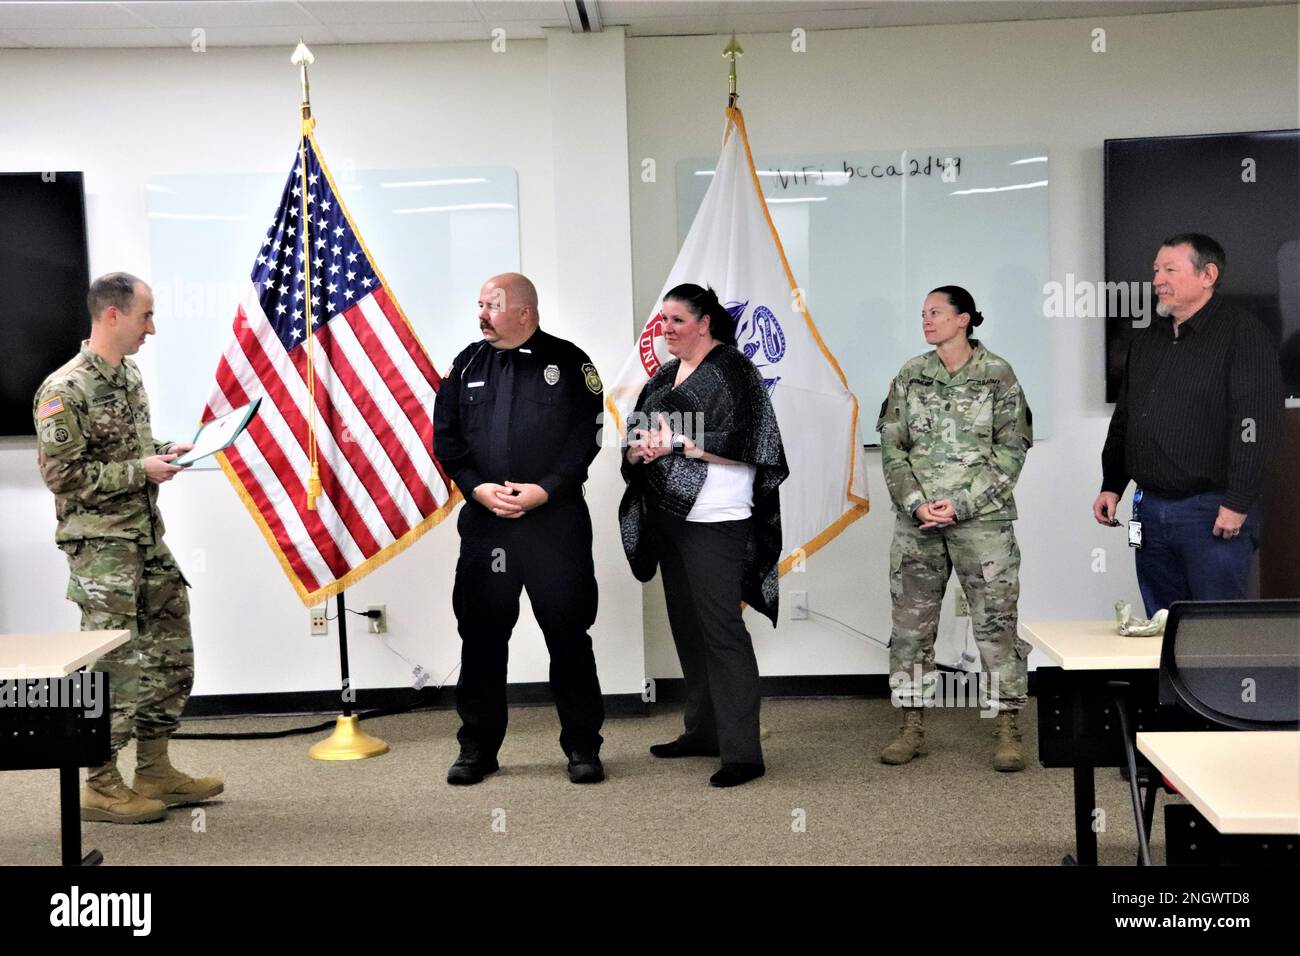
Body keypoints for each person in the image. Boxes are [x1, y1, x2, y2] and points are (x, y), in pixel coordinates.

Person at [34, 272, 223, 824]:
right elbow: (64, 477)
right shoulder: (62, 390)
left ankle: (155, 768)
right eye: (146, 315)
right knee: (114, 666)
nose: (152, 328)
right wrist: (140, 469)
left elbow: (132, 446)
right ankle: (99, 782)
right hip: (102, 552)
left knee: (170, 651)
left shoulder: (128, 374)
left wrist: (168, 450)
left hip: (145, 536)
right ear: (111, 315)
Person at [432, 273, 606, 785]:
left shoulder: (571, 363)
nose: (481, 314)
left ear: (525, 313)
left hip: (554, 525)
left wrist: (547, 488)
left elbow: (588, 436)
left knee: (569, 636)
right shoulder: (465, 365)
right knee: (481, 638)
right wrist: (475, 488)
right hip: (488, 529)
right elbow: (447, 438)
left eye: (492, 305)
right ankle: (478, 750)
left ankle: (582, 748)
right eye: (479, 305)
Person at [618, 284, 788, 788]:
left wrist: (680, 443)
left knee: (722, 632)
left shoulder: (734, 370)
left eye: (675, 320)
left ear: (703, 322)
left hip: (718, 518)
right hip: (669, 516)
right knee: (687, 628)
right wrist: (640, 450)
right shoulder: (665, 376)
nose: (665, 329)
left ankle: (743, 753)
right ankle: (704, 731)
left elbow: (755, 443)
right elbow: (635, 437)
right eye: (663, 320)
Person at [876, 286, 1033, 771]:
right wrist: (916, 503)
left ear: (963, 319)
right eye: (923, 313)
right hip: (917, 524)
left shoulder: (998, 375)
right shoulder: (910, 375)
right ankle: (911, 725)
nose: (927, 320)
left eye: (936, 312)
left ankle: (1007, 727)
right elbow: (892, 446)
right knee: (910, 631)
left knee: (996, 626)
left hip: (982, 524)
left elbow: (1012, 450)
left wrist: (961, 503)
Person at [1094, 234, 1283, 615]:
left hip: (1212, 511)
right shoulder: (1148, 340)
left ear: (1207, 274)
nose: (1158, 280)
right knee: (1164, 627)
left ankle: (1231, 680)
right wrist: (1112, 484)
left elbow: (1257, 424)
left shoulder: (1242, 334)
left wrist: (1238, 502)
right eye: (1155, 270)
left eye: (1170, 270)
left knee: (1217, 627)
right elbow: (1127, 417)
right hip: (1149, 510)